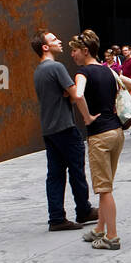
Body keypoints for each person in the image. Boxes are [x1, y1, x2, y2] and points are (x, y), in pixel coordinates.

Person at [71, 29, 131, 250]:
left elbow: (78, 95)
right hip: (117, 133)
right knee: (106, 185)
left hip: (99, 136)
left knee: (104, 190)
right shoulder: (109, 71)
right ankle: (99, 229)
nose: (73, 55)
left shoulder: (82, 73)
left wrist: (87, 117)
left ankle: (112, 237)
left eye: (75, 50)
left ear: (85, 50)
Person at [31, 29, 97, 231]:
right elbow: (76, 94)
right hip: (65, 127)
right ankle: (83, 210)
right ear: (45, 47)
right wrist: (88, 116)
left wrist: (66, 93)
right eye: (54, 39)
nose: (59, 41)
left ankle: (56, 217)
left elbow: (60, 95)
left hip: (49, 130)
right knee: (77, 170)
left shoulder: (38, 71)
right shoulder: (57, 67)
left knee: (55, 174)